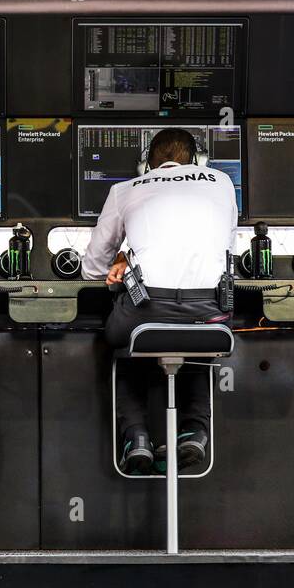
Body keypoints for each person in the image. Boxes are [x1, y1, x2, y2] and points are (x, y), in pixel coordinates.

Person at [81, 127, 238, 475]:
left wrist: (123, 255)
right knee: (200, 345)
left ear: (146, 165)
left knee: (120, 341)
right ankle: (195, 432)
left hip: (146, 313)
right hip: (211, 313)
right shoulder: (222, 182)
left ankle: (136, 436)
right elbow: (227, 245)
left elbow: (92, 268)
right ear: (198, 160)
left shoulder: (124, 190)